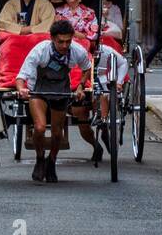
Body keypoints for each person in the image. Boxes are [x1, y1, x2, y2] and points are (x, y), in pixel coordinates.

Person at [15, 19, 92, 182]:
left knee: (58, 133)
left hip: (61, 91)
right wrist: (22, 88)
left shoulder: (77, 51)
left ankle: (52, 161)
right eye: (60, 42)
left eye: (68, 41)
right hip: (39, 90)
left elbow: (86, 68)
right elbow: (21, 76)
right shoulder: (40, 51)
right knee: (40, 127)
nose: (65, 46)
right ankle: (40, 158)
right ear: (52, 39)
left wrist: (80, 86)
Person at [72, 42, 128, 165]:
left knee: (104, 94)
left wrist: (119, 81)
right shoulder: (71, 50)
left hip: (101, 81)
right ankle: (95, 144)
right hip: (77, 83)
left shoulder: (106, 51)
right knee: (80, 114)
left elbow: (123, 63)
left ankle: (104, 124)